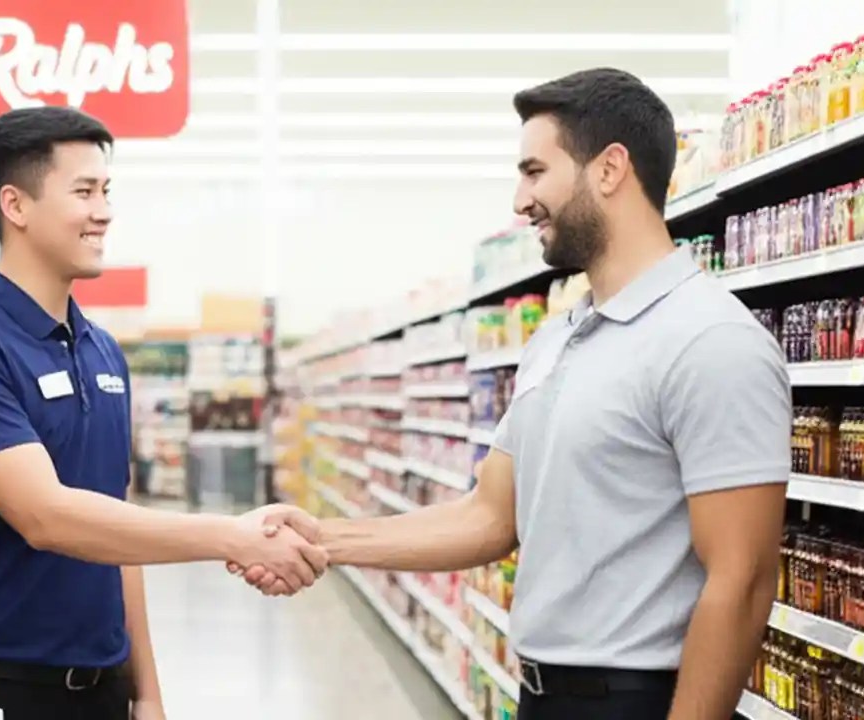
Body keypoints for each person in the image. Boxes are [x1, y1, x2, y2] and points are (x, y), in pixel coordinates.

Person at [234, 68, 791, 720]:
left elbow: (743, 578)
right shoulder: (555, 342)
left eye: (534, 171)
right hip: (540, 696)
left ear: (610, 169)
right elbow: (490, 516)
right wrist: (321, 539)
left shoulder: (710, 341)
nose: (520, 200)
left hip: (635, 701)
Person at [0, 106, 327, 720]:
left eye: (106, 190)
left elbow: (115, 528)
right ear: (15, 206)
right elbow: (46, 516)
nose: (104, 210)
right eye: (84, 191)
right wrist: (230, 536)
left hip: (99, 693)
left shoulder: (101, 351)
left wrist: (146, 691)